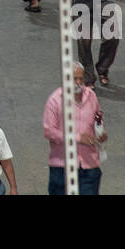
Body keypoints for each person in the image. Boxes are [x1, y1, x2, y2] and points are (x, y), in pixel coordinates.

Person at [43, 64, 105, 194]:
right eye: (74, 79)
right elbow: (49, 131)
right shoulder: (54, 101)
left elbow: (98, 119)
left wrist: (101, 133)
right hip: (62, 167)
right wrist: (77, 137)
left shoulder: (91, 96)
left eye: (80, 79)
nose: (78, 82)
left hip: (89, 166)